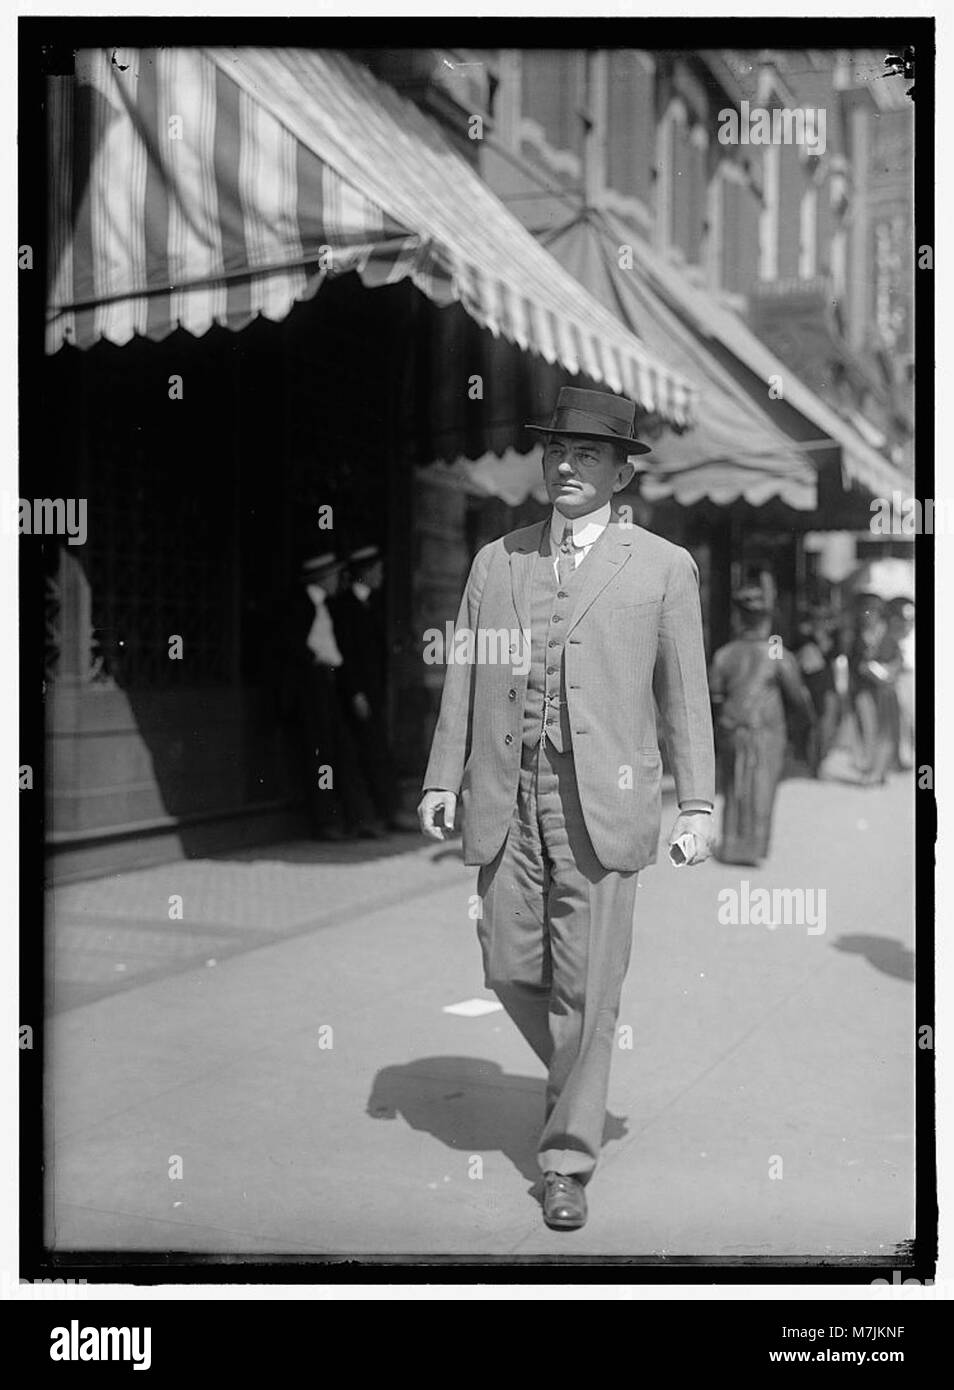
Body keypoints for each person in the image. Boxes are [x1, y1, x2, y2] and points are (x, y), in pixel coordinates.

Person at [418, 386, 716, 1231]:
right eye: (557, 451)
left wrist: (696, 805)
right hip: (507, 796)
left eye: (588, 455)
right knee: (509, 964)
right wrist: (442, 778)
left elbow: (685, 697)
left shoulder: (662, 567)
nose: (566, 467)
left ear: (622, 473)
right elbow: (465, 684)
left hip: (605, 805)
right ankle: (574, 1076)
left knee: (590, 993)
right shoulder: (495, 562)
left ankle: (565, 1159)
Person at [708, 588, 814, 867]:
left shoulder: (725, 653)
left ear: (739, 619)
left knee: (734, 785)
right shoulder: (776, 651)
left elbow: (715, 695)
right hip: (765, 730)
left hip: (732, 727)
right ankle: (752, 847)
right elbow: (797, 696)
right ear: (767, 620)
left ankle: (731, 844)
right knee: (761, 787)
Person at [286, 553, 379, 840]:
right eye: (334, 575)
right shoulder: (300, 607)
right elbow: (291, 647)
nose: (338, 581)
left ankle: (356, 818)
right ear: (322, 577)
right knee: (320, 753)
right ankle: (326, 821)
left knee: (343, 750)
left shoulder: (329, 606)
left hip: (331, 685)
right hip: (311, 687)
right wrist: (314, 660)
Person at [329, 546, 416, 832]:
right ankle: (370, 816)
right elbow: (345, 655)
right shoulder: (344, 607)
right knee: (363, 752)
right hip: (356, 695)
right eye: (377, 570)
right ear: (365, 573)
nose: (382, 575)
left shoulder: (371, 605)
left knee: (377, 749)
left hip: (373, 693)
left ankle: (386, 812)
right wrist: (356, 692)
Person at [848, 595, 901, 786]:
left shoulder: (888, 636)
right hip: (864, 690)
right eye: (865, 611)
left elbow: (897, 659)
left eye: (871, 612)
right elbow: (852, 662)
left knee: (885, 731)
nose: (867, 615)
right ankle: (871, 769)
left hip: (885, 690)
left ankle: (881, 770)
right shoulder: (858, 637)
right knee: (869, 728)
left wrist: (890, 671)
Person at [794, 607, 840, 775]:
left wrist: (821, 638)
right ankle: (812, 762)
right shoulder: (800, 636)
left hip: (827, 685)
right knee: (812, 725)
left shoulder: (832, 635)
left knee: (825, 724)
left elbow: (835, 655)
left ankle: (819, 761)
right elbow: (779, 653)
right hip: (807, 686)